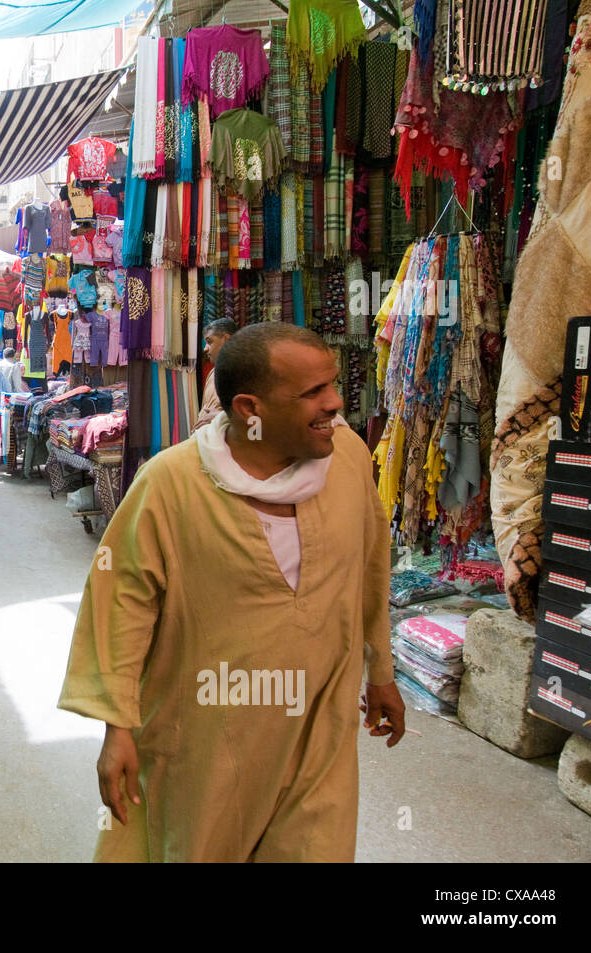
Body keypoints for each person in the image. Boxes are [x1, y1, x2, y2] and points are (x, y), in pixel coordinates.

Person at [59, 323, 404, 862]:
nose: (335, 403)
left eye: (332, 385)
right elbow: (118, 606)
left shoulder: (351, 461)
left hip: (321, 726)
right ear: (250, 408)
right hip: (208, 734)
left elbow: (371, 568)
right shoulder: (170, 485)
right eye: (313, 392)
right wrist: (117, 728)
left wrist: (380, 671)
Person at [193, 318, 238, 432]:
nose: (205, 348)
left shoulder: (245, 371)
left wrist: (223, 417)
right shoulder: (213, 372)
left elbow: (256, 421)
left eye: (209, 341)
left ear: (226, 339)